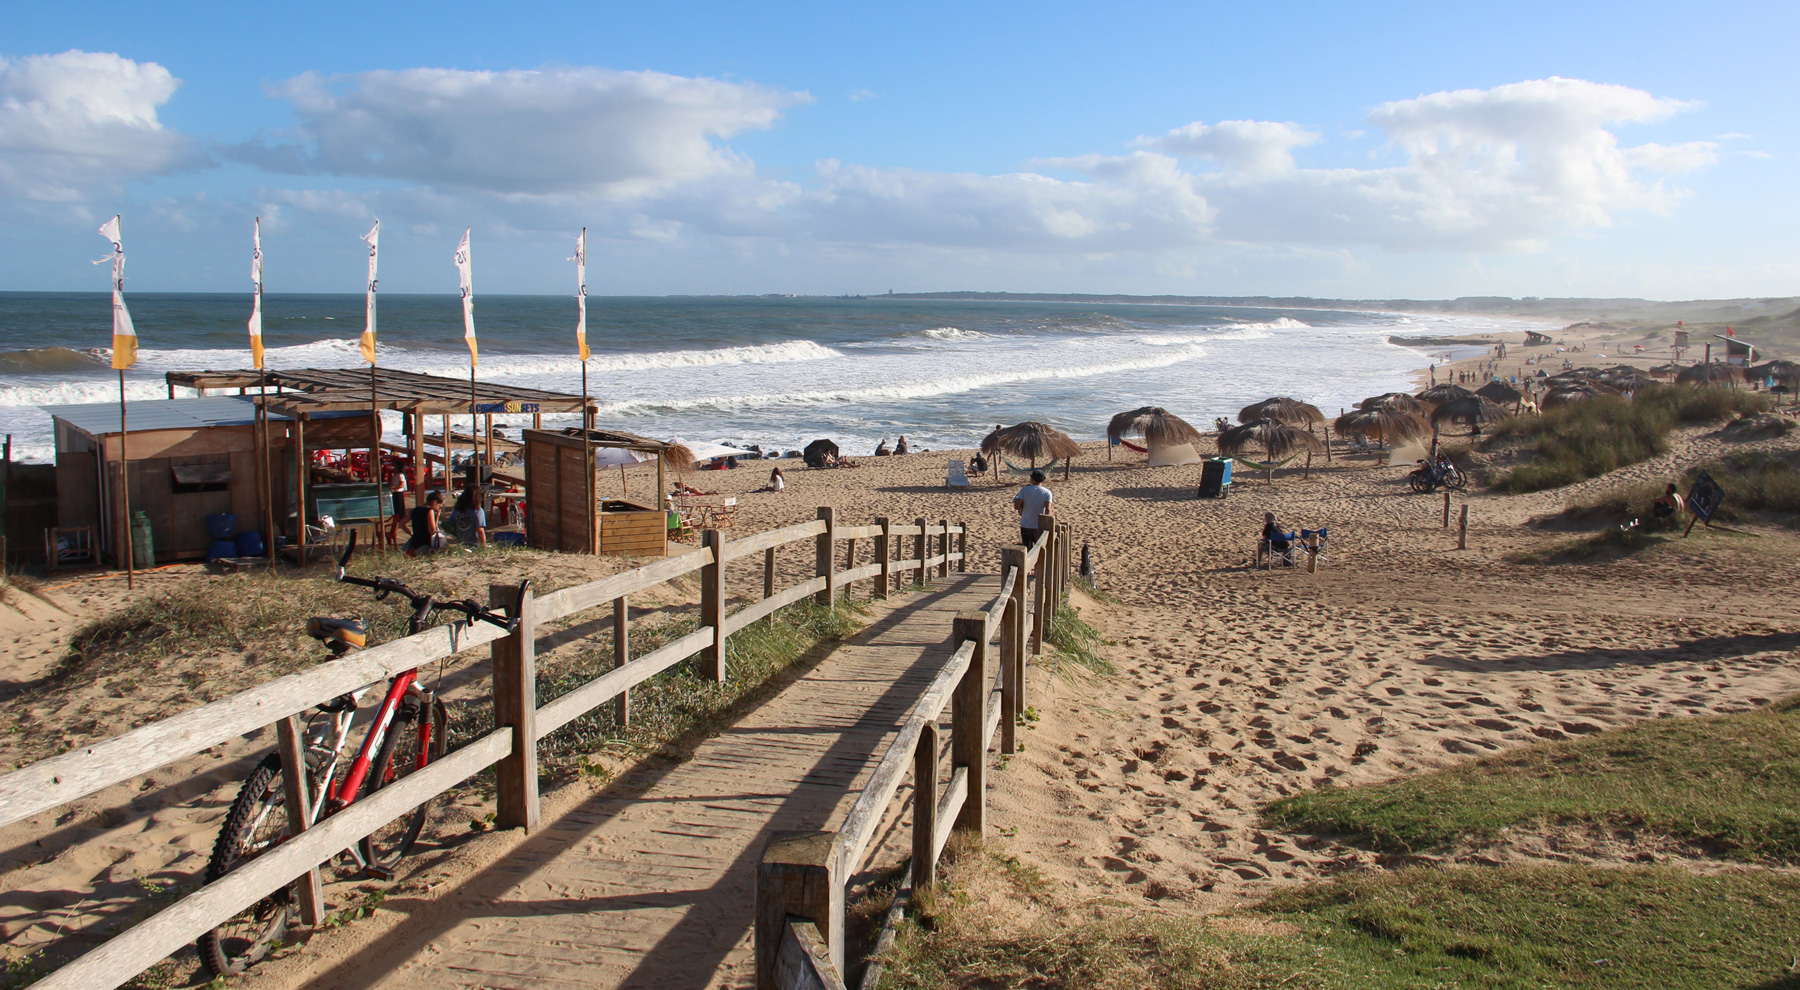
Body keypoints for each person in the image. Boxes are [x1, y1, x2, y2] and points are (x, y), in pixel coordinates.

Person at [1013, 470, 1053, 546]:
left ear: (1032, 479)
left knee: (1027, 548)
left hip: (1025, 524)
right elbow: (1048, 510)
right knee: (1039, 548)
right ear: (1043, 480)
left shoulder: (1024, 490)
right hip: (1039, 525)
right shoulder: (1047, 492)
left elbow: (1016, 506)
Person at [403, 491, 445, 558]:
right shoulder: (429, 511)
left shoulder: (415, 510)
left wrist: (411, 533)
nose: (438, 508)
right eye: (438, 505)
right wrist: (437, 517)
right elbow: (432, 531)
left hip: (415, 542)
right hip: (425, 543)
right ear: (434, 502)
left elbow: (401, 524)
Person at [385, 461, 410, 542]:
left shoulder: (400, 475)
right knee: (396, 511)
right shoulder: (396, 475)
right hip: (395, 493)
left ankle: (401, 527)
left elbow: (401, 485)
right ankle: (395, 529)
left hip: (398, 494)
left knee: (399, 512)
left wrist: (392, 487)